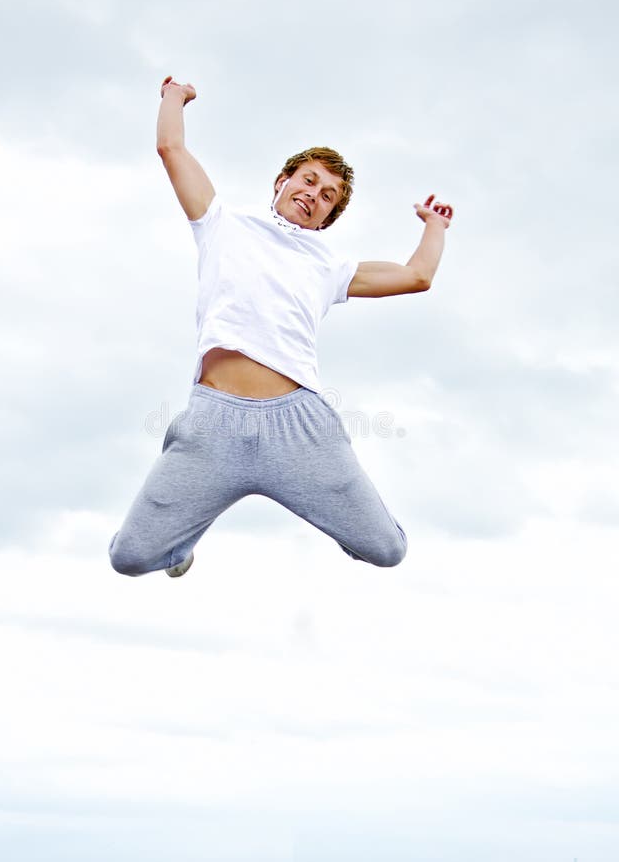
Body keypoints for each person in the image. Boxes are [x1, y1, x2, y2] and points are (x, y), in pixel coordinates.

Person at [108, 76, 453, 579]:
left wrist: (434, 226)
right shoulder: (221, 221)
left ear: (327, 219)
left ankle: (335, 513)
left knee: (387, 549)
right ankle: (179, 543)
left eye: (328, 197)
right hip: (214, 425)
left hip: (299, 428)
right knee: (129, 557)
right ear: (282, 181)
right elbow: (170, 147)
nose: (315, 195)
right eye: (309, 180)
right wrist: (174, 96)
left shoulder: (328, 263)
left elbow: (416, 276)